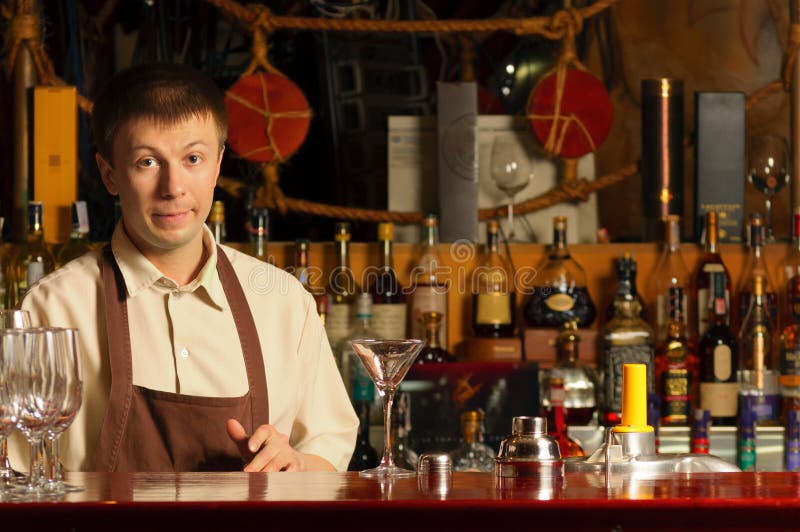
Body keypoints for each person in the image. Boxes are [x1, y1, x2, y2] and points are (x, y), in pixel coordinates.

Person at [10, 63, 358, 473]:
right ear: (109, 175)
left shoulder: (282, 300)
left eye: (193, 158)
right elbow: (17, 473)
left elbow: (328, 458)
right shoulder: (53, 307)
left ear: (217, 165)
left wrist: (297, 465)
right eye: (147, 162)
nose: (173, 187)